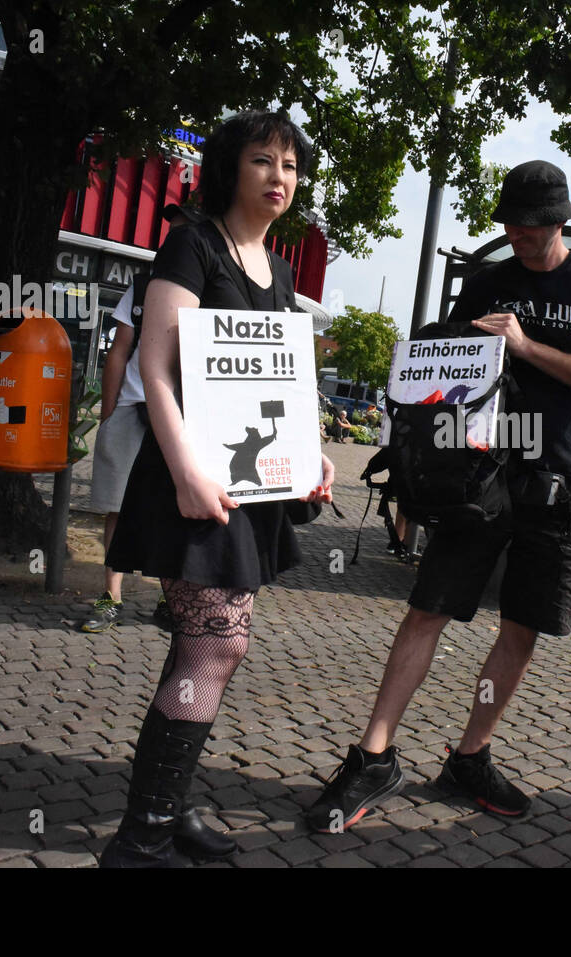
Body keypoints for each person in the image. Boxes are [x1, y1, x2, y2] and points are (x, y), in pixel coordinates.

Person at [306, 159, 571, 831]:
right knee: (428, 607)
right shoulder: (489, 281)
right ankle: (374, 755)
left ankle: (470, 754)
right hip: (478, 474)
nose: (519, 236)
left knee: (521, 626)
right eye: (511, 225)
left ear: (560, 222)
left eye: (531, 228)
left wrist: (525, 343)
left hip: (560, 482)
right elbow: (447, 365)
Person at [99, 110, 335, 867]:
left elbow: (285, 380)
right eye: (264, 160)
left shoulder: (281, 268)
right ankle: (139, 840)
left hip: (247, 485)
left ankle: (171, 812)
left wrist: (315, 457)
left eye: (292, 166)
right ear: (232, 166)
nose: (280, 177)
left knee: (196, 648)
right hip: (191, 482)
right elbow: (158, 373)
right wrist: (188, 472)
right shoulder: (193, 242)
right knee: (217, 644)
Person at [80, 204, 199, 634]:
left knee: (177, 510)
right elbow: (119, 350)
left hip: (187, 419)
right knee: (117, 507)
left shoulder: (214, 288)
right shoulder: (144, 284)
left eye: (185, 231)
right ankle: (110, 595)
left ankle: (171, 599)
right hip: (133, 410)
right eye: (173, 230)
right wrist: (110, 414)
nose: (174, 238)